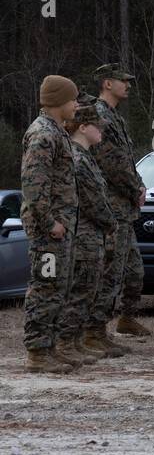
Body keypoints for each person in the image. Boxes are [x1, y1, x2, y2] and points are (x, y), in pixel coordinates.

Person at [20, 76, 80, 373]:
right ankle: (37, 352)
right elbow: (34, 186)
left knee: (58, 287)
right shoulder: (43, 134)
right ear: (59, 102)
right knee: (45, 287)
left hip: (60, 228)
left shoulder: (57, 132)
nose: (76, 105)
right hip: (49, 232)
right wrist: (49, 222)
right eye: (73, 100)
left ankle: (50, 347)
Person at [90, 62, 149, 339]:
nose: (128, 85)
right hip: (112, 206)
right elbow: (111, 162)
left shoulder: (116, 117)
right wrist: (134, 188)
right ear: (107, 83)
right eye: (122, 80)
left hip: (125, 207)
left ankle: (127, 318)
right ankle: (96, 330)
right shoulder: (99, 114)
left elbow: (126, 160)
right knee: (111, 271)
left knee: (134, 271)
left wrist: (139, 184)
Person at [59, 99, 119, 364]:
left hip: (92, 235)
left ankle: (76, 340)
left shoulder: (86, 157)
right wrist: (111, 223)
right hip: (83, 234)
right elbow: (93, 201)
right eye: (98, 126)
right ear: (83, 127)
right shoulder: (77, 159)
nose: (102, 131)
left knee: (88, 291)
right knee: (80, 291)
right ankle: (65, 342)